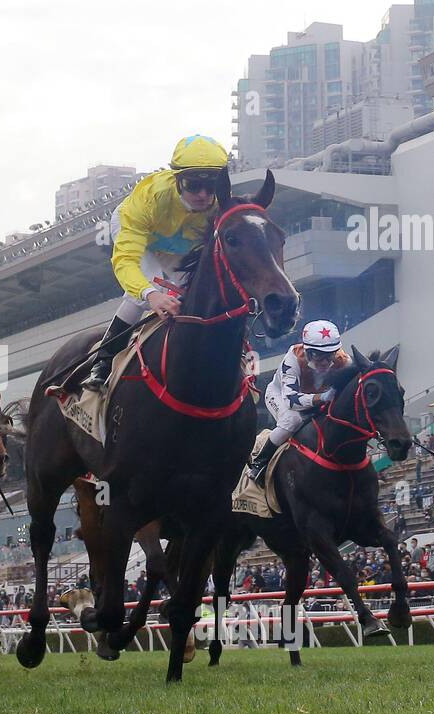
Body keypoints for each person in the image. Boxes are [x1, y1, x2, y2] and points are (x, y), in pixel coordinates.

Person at [80, 134, 230, 391]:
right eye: (194, 185)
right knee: (146, 292)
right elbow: (126, 260)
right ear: (178, 180)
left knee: (193, 296)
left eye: (212, 186)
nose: (204, 195)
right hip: (143, 237)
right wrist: (151, 295)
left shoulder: (221, 201)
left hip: (182, 244)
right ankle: (102, 363)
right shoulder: (151, 198)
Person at [247, 320, 349, 481]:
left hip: (315, 399)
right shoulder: (293, 357)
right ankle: (260, 463)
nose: (324, 361)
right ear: (307, 351)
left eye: (329, 355)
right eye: (318, 355)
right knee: (292, 420)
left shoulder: (343, 361)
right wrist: (322, 397)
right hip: (281, 395)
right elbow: (291, 401)